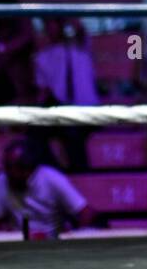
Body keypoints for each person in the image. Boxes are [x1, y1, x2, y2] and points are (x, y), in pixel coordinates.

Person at [0, 138, 96, 239]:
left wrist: (71, 238)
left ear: (27, 169)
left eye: (11, 167)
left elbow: (85, 212)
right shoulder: (1, 180)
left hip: (54, 241)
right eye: (5, 165)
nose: (6, 171)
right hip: (18, 242)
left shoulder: (51, 178)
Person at [33, 16, 99, 173]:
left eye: (56, 24)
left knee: (73, 132)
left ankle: (82, 178)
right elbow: (43, 92)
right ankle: (59, 174)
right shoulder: (42, 57)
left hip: (90, 110)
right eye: (48, 25)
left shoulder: (81, 48)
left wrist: (67, 19)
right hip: (60, 111)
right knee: (36, 135)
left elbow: (81, 31)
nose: (52, 29)